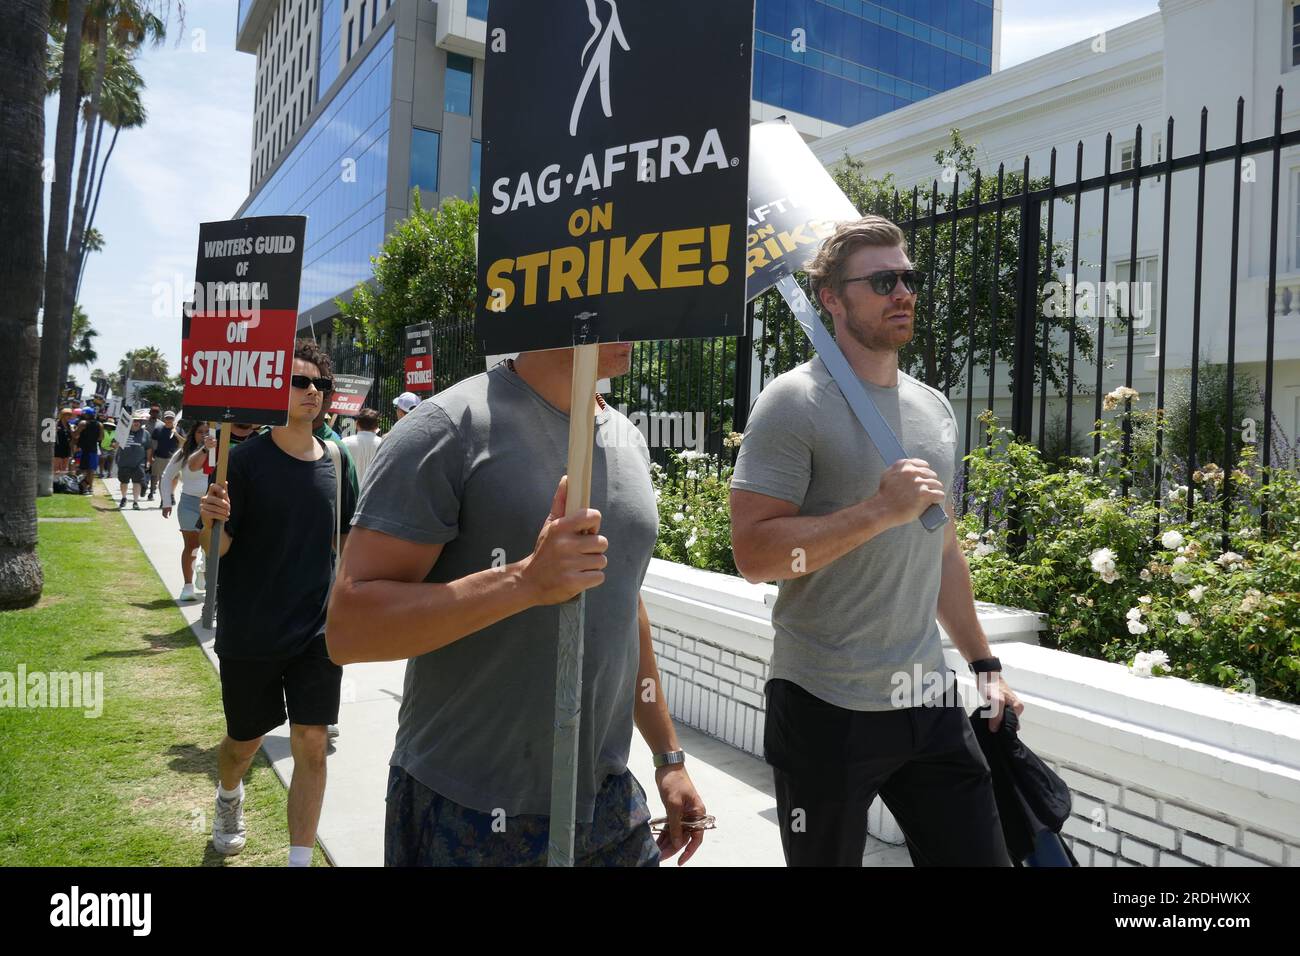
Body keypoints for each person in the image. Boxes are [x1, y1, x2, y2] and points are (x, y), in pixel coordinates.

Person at [327, 347, 708, 868]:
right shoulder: (446, 427)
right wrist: (524, 581)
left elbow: (622, 599)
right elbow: (350, 629)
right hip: (468, 808)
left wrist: (668, 758)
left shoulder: (627, 437)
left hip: (608, 800)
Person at [728, 215, 1023, 868]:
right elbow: (754, 556)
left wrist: (984, 666)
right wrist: (875, 512)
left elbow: (939, 548)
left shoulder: (933, 409)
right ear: (831, 298)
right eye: (884, 280)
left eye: (909, 278)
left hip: (928, 699)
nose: (904, 293)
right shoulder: (792, 402)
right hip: (825, 705)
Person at [198, 340, 355, 865]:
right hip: (252, 629)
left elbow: (344, 545)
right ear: (275, 390)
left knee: (312, 741)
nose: (314, 392)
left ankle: (298, 860)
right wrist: (209, 520)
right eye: (301, 382)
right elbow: (218, 550)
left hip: (317, 631)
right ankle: (228, 795)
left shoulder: (337, 459)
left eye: (321, 385)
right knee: (243, 743)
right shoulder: (241, 462)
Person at [161, 420, 213, 602]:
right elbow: (167, 476)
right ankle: (188, 585)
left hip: (212, 504)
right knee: (192, 546)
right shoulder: (183, 454)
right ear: (194, 434)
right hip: (189, 504)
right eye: (201, 431)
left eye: (208, 431)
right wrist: (166, 501)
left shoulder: (220, 453)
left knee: (211, 547)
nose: (205, 435)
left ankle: (206, 576)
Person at [115, 411, 151, 510]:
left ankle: (135, 502)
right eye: (134, 420)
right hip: (124, 462)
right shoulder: (123, 432)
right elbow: (115, 446)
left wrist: (148, 461)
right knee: (124, 482)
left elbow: (148, 448)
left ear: (141, 422)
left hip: (139, 463)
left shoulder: (145, 433)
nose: (136, 422)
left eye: (138, 421)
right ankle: (124, 498)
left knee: (137, 482)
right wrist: (116, 443)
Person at [340, 408, 382, 488]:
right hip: (374, 493)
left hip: (351, 492)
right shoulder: (383, 444)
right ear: (376, 426)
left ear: (356, 424)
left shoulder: (344, 443)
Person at [150, 411, 181, 505]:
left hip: (174, 459)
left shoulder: (178, 429)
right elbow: (153, 445)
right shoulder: (158, 429)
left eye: (171, 418)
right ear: (164, 419)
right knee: (162, 480)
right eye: (167, 418)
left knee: (175, 478)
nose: (169, 420)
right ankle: (164, 500)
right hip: (160, 458)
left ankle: (171, 493)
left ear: (174, 419)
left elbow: (184, 442)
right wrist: (150, 457)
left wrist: (176, 434)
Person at [72, 409, 103, 495]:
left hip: (83, 449)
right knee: (91, 470)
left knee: (82, 469)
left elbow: (75, 435)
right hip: (93, 449)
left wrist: (71, 429)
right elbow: (100, 438)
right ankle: (90, 488)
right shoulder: (100, 424)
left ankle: (83, 487)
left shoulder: (83, 423)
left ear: (86, 415)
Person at [143, 405, 161, 500]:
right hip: (144, 450)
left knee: (154, 472)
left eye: (156, 412)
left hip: (156, 451)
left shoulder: (161, 424)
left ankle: (151, 491)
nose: (154, 414)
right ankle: (144, 485)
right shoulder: (144, 423)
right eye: (153, 412)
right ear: (150, 412)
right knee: (144, 469)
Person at [53, 409, 74, 476]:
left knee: (64, 468)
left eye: (70, 415)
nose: (69, 417)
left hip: (67, 449)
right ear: (62, 415)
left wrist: (72, 451)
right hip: (57, 448)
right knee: (56, 468)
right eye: (67, 415)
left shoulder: (69, 426)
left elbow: (72, 438)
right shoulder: (56, 424)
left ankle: (62, 483)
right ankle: (55, 484)